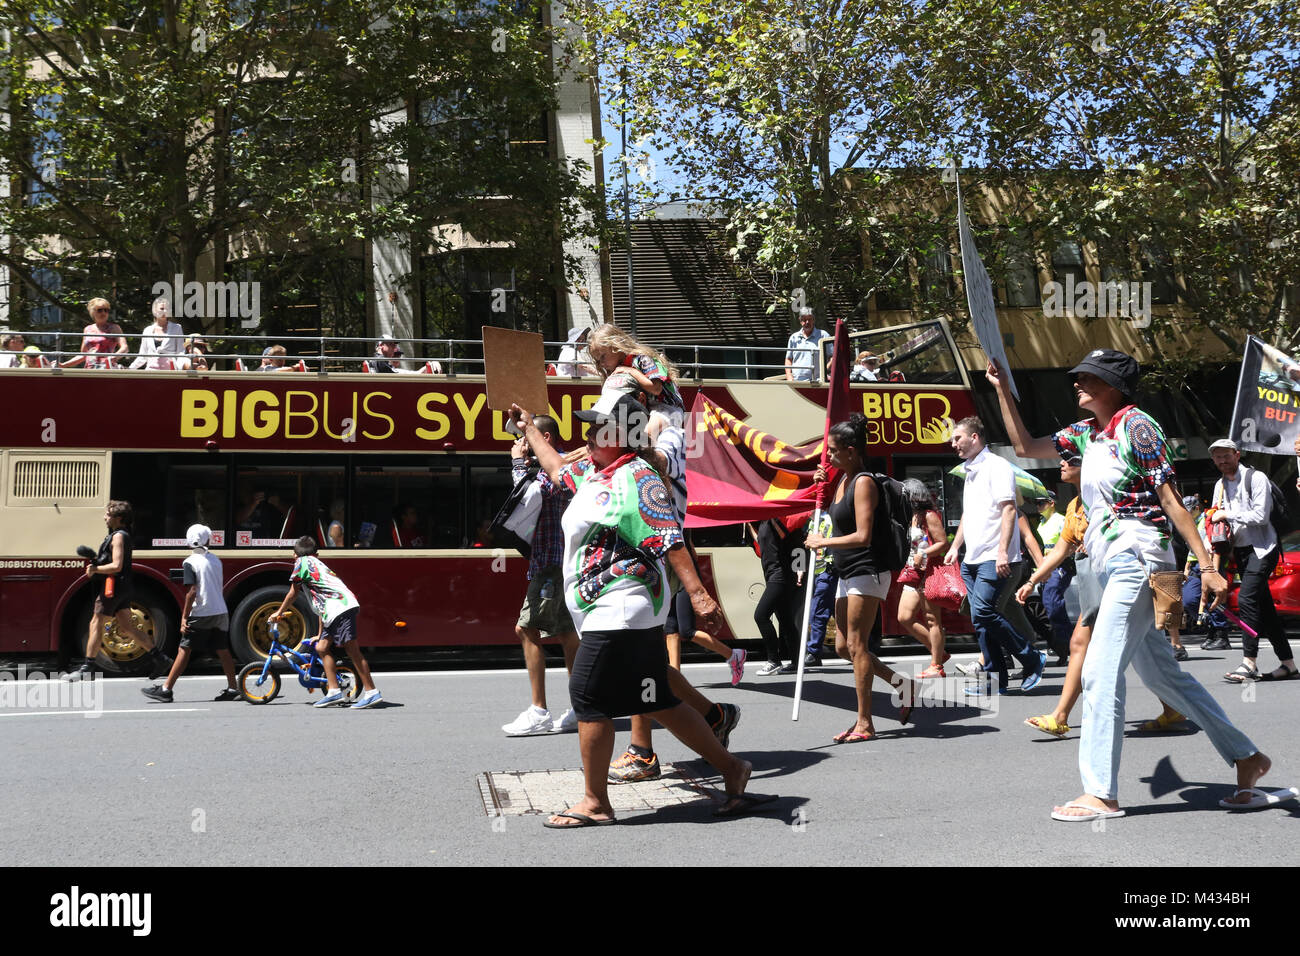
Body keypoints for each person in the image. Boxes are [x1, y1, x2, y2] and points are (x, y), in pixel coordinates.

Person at [986, 349, 1271, 817]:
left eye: (1087, 378)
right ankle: (1248, 758)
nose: (1076, 383)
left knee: (1099, 673)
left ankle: (1101, 792)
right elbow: (1024, 446)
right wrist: (1001, 390)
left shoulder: (1138, 426)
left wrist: (1205, 564)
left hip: (1137, 559)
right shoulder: (1088, 434)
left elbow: (1172, 500)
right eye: (1076, 376)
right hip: (1111, 564)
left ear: (1113, 386)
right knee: (1164, 676)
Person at [509, 393, 769, 825]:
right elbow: (555, 468)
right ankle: (732, 769)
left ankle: (595, 802)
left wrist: (700, 595)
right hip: (613, 608)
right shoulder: (595, 471)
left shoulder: (637, 476)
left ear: (619, 435)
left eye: (596, 428)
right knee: (656, 698)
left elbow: (669, 537)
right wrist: (530, 430)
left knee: (588, 697)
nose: (588, 435)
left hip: (622, 605)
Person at [608, 421, 743, 781]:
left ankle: (643, 751)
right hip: (644, 562)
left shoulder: (666, 429)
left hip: (651, 562)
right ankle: (714, 716)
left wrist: (629, 442)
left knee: (639, 664)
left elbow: (662, 470)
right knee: (647, 663)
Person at [804, 414, 920, 742]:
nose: (827, 456)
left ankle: (865, 723)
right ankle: (903, 685)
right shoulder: (842, 480)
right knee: (843, 646)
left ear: (852, 451)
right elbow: (837, 516)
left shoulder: (864, 482)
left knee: (857, 645)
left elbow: (863, 535)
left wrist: (821, 542)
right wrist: (820, 484)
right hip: (847, 571)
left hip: (867, 569)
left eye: (832, 451)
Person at [944, 416, 1046, 695]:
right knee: (980, 619)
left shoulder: (997, 466)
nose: (953, 444)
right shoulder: (970, 471)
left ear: (974, 438)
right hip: (972, 559)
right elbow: (969, 513)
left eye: (957, 438)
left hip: (994, 557)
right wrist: (955, 547)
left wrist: (1002, 552)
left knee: (986, 612)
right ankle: (995, 681)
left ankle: (1031, 657)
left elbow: (1010, 509)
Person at [500, 415, 580, 737]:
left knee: (526, 628)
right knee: (568, 636)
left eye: (523, 437)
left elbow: (532, 497)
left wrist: (518, 464)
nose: (518, 443)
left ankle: (539, 710)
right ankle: (579, 706)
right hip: (558, 563)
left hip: (551, 564)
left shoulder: (555, 467)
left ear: (542, 437)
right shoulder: (562, 463)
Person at [1207, 438, 1298, 681]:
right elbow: (1217, 520)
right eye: (1217, 457)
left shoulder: (1256, 478)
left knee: (1246, 599)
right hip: (1241, 552)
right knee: (1266, 610)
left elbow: (1260, 515)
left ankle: (1249, 662)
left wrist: (1227, 513)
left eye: (1226, 455)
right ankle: (1288, 664)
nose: (1222, 460)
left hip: (1263, 548)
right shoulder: (1220, 485)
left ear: (1237, 454)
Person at [64, 501, 173, 681]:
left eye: (108, 514)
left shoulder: (119, 537)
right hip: (121, 588)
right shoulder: (118, 536)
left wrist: (95, 570)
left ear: (119, 518)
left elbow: (117, 565)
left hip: (113, 588)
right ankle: (160, 659)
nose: (104, 518)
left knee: (95, 623)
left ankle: (88, 667)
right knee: (128, 627)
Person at [269, 537, 382, 708]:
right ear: (317, 554)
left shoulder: (302, 562)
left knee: (352, 650)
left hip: (340, 608)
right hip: (334, 609)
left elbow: (293, 592)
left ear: (294, 555)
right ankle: (333, 692)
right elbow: (322, 605)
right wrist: (320, 634)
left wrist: (279, 612)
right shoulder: (317, 564)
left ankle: (372, 692)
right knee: (321, 647)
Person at [142, 525, 240, 703]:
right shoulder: (216, 560)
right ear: (208, 541)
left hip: (201, 612)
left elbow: (192, 591)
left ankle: (166, 689)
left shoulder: (189, 562)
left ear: (188, 542)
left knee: (184, 649)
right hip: (220, 611)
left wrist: (184, 616)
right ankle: (233, 688)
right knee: (223, 650)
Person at [586, 324, 685, 444]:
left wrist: (632, 371)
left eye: (603, 356)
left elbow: (656, 388)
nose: (601, 363)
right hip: (645, 409)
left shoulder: (642, 359)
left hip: (668, 408)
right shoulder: (617, 368)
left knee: (646, 434)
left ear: (616, 346)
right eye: (597, 360)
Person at [896, 478, 950, 678]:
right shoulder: (913, 516)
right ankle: (940, 653)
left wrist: (924, 554)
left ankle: (936, 664)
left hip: (928, 572)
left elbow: (943, 543)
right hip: (913, 572)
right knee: (904, 617)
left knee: (932, 619)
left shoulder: (929, 515)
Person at [749, 515, 805, 675]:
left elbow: (796, 541)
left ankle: (773, 660)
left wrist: (800, 569)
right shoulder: (762, 525)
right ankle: (796, 661)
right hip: (773, 576)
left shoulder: (774, 520)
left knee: (760, 615)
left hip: (780, 576)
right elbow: (761, 543)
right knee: (786, 620)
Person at [1180, 495, 1230, 652]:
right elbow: (1191, 549)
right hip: (1196, 565)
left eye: (1189, 511)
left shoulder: (1208, 520)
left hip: (1211, 564)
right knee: (1189, 598)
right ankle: (1210, 627)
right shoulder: (1190, 523)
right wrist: (1187, 568)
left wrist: (1214, 571)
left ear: (1196, 509)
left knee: (1215, 598)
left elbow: (1216, 545)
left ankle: (1221, 635)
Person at [804, 509, 838, 666]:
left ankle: (813, 652)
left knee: (817, 611)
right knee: (833, 611)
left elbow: (832, 540)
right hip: (819, 572)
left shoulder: (827, 519)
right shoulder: (813, 521)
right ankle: (862, 645)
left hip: (827, 570)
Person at [60, 298, 128, 369]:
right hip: (90, 369)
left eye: (106, 310)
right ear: (92, 312)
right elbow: (84, 355)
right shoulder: (87, 329)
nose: (103, 313)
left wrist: (113, 358)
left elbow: (125, 348)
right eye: (100, 310)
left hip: (106, 368)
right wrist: (64, 365)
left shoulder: (114, 328)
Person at [130, 298, 186, 370]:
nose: (164, 311)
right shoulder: (147, 330)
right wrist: (130, 368)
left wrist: (179, 369)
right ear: (155, 311)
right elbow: (142, 356)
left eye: (167, 309)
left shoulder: (177, 328)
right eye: (162, 309)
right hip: (151, 371)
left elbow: (181, 352)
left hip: (170, 372)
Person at [784, 307, 832, 383]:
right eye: (804, 319)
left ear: (814, 320)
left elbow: (833, 357)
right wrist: (789, 376)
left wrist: (825, 370)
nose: (807, 322)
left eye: (809, 319)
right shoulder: (793, 338)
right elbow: (788, 359)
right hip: (797, 382)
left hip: (818, 382)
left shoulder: (823, 335)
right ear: (800, 321)